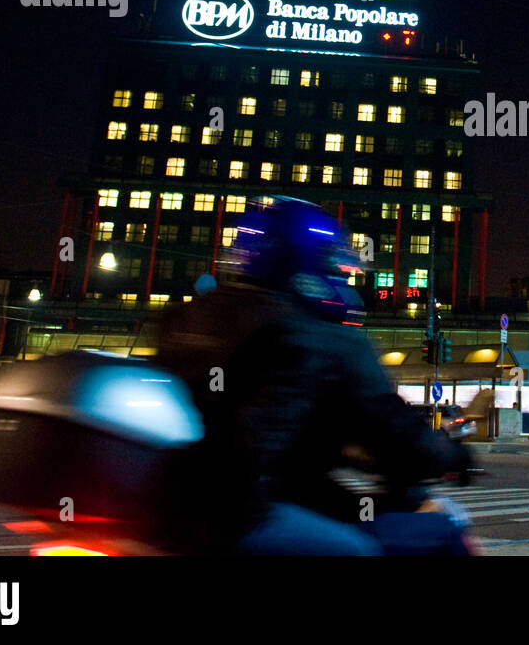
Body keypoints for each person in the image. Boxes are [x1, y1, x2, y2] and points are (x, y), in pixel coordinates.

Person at [154, 197, 472, 555]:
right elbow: (390, 427)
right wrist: (451, 454)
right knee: (385, 543)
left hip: (169, 505)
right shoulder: (318, 332)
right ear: (309, 260)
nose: (342, 274)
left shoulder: (191, 319)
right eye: (334, 263)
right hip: (243, 514)